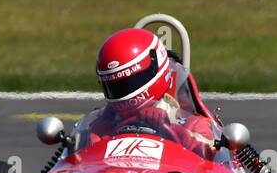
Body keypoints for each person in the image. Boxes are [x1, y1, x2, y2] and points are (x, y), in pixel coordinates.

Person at [81, 27, 220, 161]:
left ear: (155, 69)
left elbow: (212, 154)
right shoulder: (101, 126)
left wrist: (169, 128)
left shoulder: (192, 123)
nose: (123, 92)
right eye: (114, 87)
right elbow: (78, 165)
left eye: (130, 83)